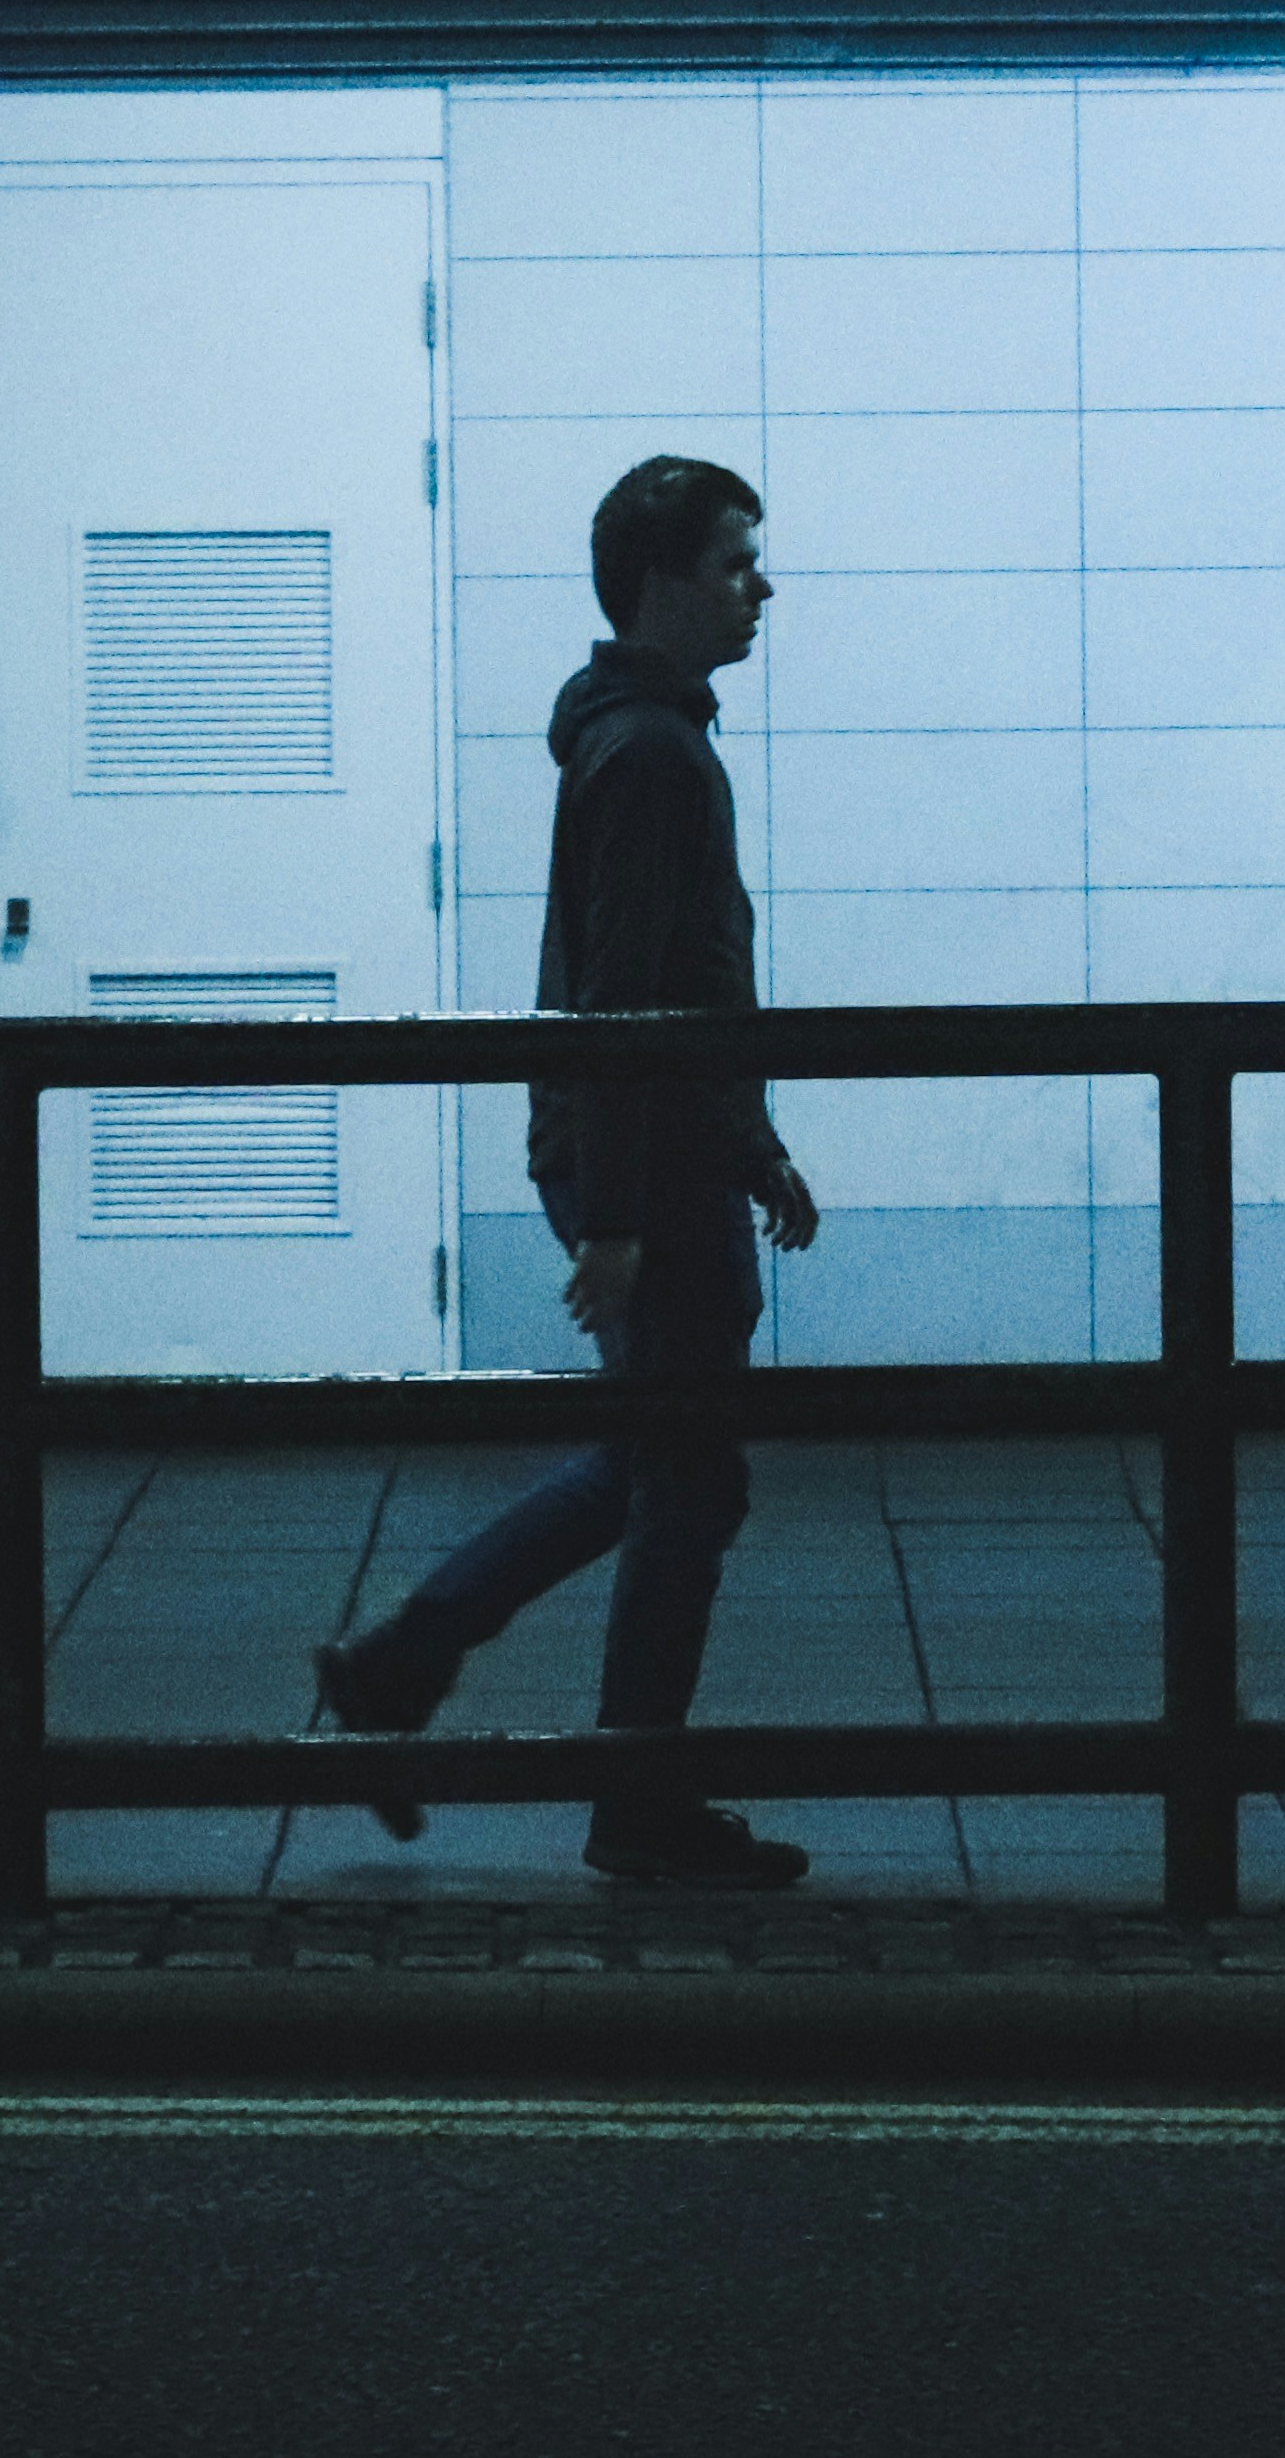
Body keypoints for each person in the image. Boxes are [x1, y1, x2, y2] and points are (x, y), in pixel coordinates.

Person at [309, 453, 821, 1889]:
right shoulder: (652, 753)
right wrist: (619, 1218)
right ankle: (626, 1793)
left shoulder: (637, 736)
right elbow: (626, 994)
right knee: (688, 1481)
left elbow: (666, 980)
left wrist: (750, 1143)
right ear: (666, 584)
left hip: (652, 1151)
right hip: (643, 1164)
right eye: (736, 565)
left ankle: (404, 1670)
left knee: (659, 1462)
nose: (760, 588)